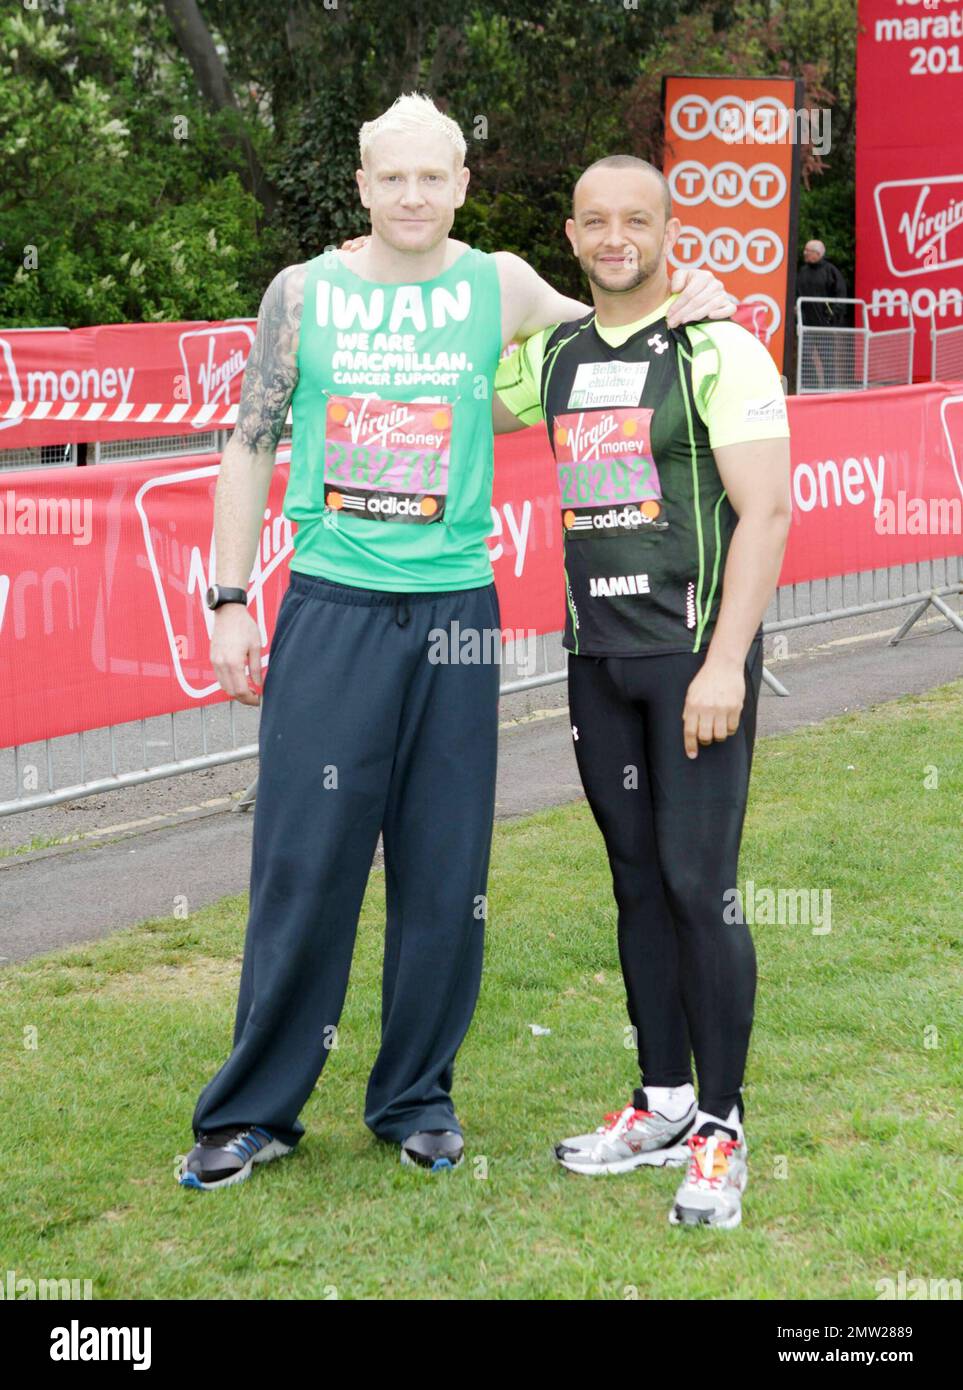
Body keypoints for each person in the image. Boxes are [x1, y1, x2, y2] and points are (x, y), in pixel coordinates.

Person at [178, 96, 734, 1190]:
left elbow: (623, 328)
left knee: (445, 867)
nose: (415, 197)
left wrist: (697, 295)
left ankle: (415, 1097)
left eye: (434, 177)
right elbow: (248, 443)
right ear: (363, 188)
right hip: (333, 605)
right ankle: (253, 1110)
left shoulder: (501, 283)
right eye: (394, 179)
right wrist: (231, 597)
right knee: (305, 864)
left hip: (456, 618)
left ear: (463, 185)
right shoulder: (303, 294)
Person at [494, 155, 791, 1228]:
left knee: (695, 880)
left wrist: (724, 661)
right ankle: (661, 1098)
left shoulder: (718, 344)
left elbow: (767, 513)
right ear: (570, 236)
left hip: (691, 661)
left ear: (671, 230)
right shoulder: (557, 353)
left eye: (638, 220)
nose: (617, 236)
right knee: (633, 879)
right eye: (596, 222)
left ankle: (722, 1126)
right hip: (598, 661)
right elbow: (451, 379)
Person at [795, 239, 848, 389]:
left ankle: (829, 390)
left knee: (827, 359)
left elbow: (841, 294)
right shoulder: (802, 271)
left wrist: (833, 317)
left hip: (825, 326)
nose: (804, 253)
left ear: (818, 253)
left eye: (808, 251)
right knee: (805, 358)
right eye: (805, 250)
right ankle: (810, 388)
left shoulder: (830, 271)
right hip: (806, 325)